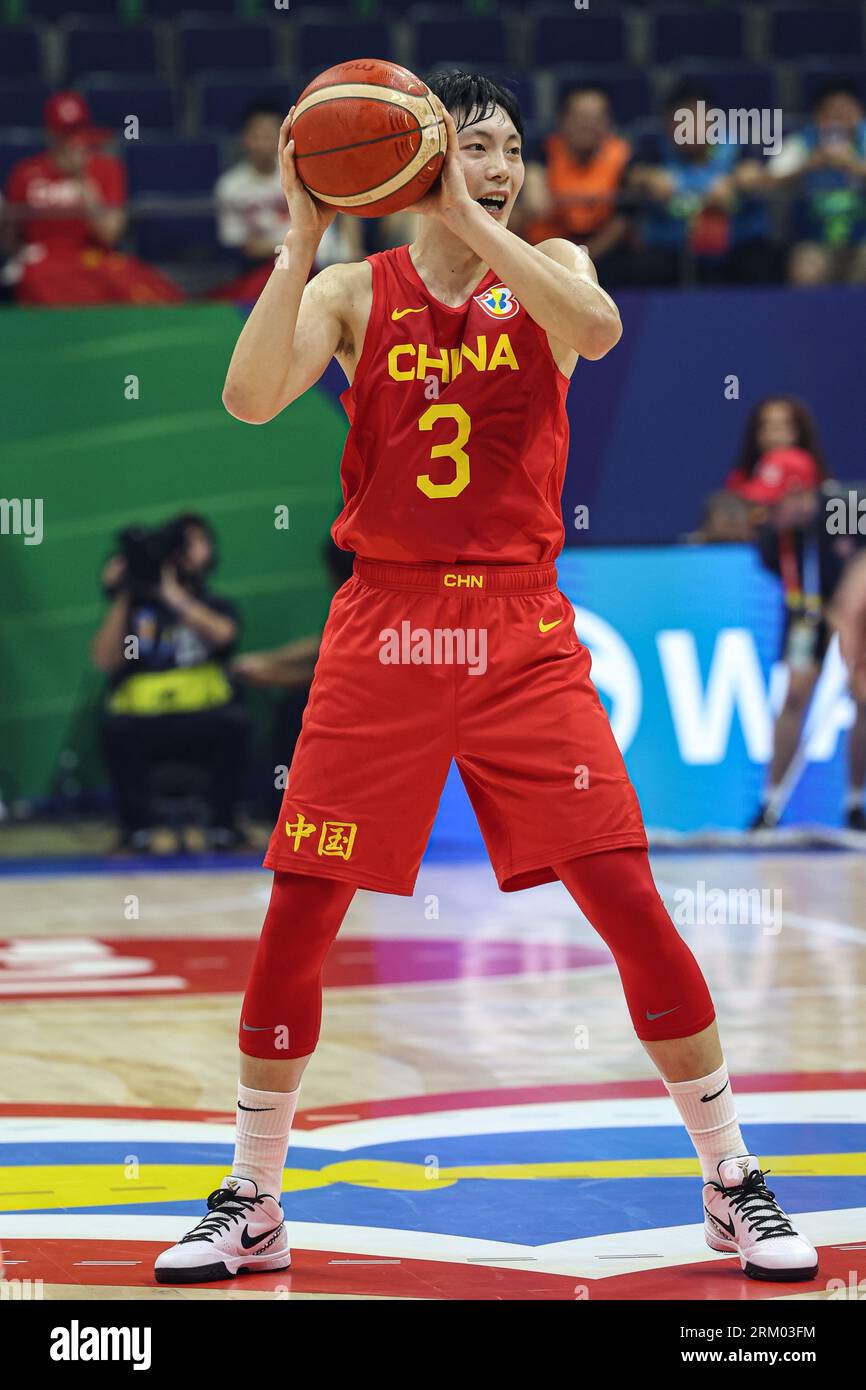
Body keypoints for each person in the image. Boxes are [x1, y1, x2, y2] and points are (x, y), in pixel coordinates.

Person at [155, 70, 818, 1285]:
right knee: (299, 911)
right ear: (409, 160)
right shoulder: (357, 291)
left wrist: (466, 212)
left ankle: (730, 1181)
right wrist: (304, 237)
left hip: (516, 630)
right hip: (385, 631)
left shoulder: (548, 265)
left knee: (627, 901)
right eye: (470, 146)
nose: (499, 161)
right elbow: (249, 400)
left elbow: (597, 329)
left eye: (509, 147)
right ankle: (252, 1194)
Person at [729, 399, 866, 830]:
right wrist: (827, 619)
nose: (767, 512)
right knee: (794, 694)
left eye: (775, 501)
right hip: (807, 610)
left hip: (860, 606)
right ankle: (770, 805)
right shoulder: (772, 537)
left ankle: (855, 804)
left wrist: (850, 610)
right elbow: (796, 588)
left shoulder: (847, 505)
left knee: (863, 695)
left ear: (801, 492)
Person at [92, 513, 249, 853]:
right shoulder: (133, 610)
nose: (188, 553)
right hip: (145, 721)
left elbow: (224, 635)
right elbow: (104, 660)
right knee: (115, 730)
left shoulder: (212, 603)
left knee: (236, 724)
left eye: (197, 542)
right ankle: (138, 831)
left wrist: (172, 595)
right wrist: (123, 595)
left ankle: (223, 825)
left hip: (204, 719)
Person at [3, 91, 184, 305]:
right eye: (65, 133)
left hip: (93, 260)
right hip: (44, 266)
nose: (72, 140)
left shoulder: (106, 169)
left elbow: (110, 234)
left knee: (147, 288)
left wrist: (81, 178)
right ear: (50, 133)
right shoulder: (25, 173)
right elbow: (8, 238)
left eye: (77, 130)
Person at [626, 83, 778, 286]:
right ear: (668, 125)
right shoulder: (654, 148)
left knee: (763, 262)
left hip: (734, 247)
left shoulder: (736, 146)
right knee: (641, 268)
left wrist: (734, 181)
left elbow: (755, 173)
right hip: (671, 250)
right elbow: (631, 175)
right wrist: (649, 178)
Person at [212, 103, 362, 303]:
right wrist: (294, 247)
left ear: (282, 136)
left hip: (324, 257)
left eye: (270, 135)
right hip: (272, 262)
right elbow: (243, 245)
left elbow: (345, 205)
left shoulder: (305, 172)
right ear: (246, 139)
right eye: (259, 136)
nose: (265, 143)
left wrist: (352, 249)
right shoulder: (230, 187)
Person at [514, 86, 632, 280]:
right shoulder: (541, 152)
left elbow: (624, 219)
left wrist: (581, 261)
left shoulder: (622, 156)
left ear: (608, 122)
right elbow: (535, 202)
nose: (588, 125)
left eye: (596, 118)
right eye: (580, 117)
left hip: (601, 253)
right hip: (546, 254)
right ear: (562, 119)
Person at [765, 83, 866, 286]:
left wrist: (854, 166)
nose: (841, 121)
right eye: (833, 114)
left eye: (847, 113)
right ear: (818, 117)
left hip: (861, 240)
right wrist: (807, 167)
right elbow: (768, 182)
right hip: (813, 241)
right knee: (806, 268)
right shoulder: (800, 144)